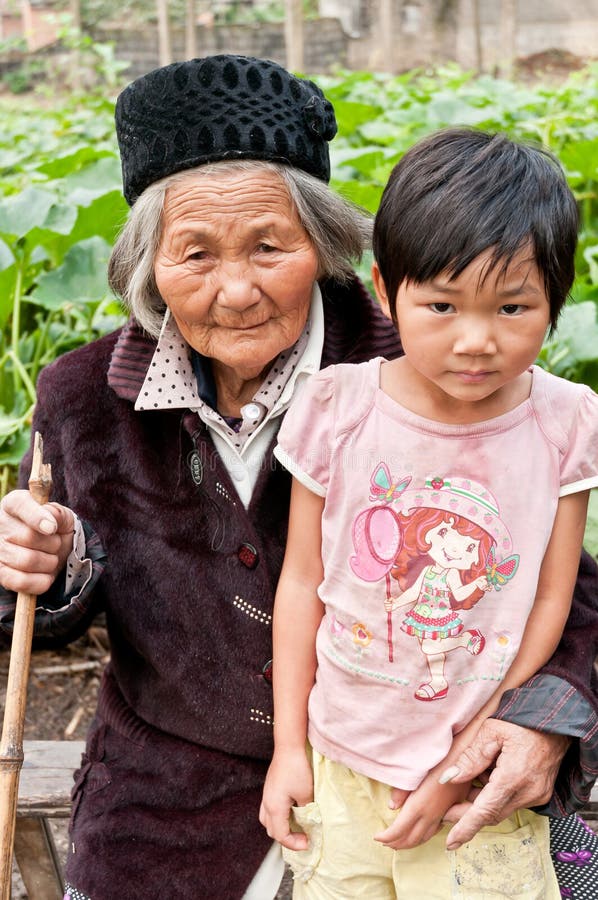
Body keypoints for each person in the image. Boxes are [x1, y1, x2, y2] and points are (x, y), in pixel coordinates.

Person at [0, 58, 595, 900]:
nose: (235, 291)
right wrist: (50, 564)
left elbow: (564, 589)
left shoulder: (432, 362)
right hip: (166, 810)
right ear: (147, 262)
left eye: (270, 248)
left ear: (323, 245)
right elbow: (50, 613)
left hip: (427, 780)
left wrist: (540, 719)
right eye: (194, 253)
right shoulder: (80, 399)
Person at [259, 128, 598, 898]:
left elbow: (553, 594)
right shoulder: (337, 407)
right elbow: (300, 582)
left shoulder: (567, 422)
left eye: (513, 307)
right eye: (441, 305)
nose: (476, 341)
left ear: (557, 296)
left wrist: (465, 761)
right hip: (338, 762)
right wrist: (289, 750)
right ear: (386, 288)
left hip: (480, 786)